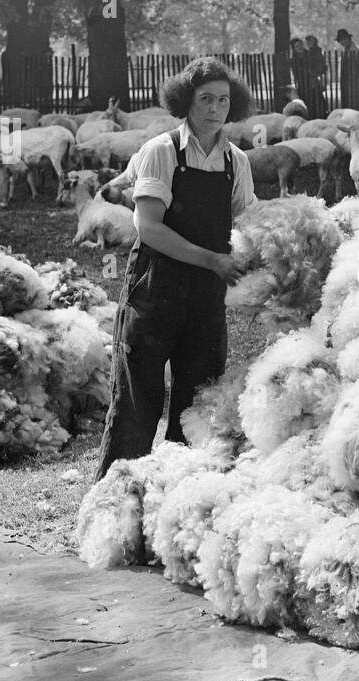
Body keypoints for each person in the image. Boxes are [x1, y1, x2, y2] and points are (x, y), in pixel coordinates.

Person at [94, 57, 257, 483]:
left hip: (206, 295)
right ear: (185, 100)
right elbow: (149, 228)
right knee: (138, 400)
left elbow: (248, 222)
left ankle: (177, 499)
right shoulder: (161, 151)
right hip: (156, 287)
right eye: (205, 99)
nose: (215, 108)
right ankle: (115, 499)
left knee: (197, 402)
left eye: (223, 100)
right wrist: (214, 260)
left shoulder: (235, 161)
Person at [335, 27, 359, 111]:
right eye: (340, 40)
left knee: (358, 104)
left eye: (344, 39)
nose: (342, 42)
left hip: (357, 83)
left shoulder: (356, 50)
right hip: (348, 83)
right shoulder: (345, 51)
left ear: (349, 39)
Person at [305, 33, 328, 116]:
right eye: (307, 42)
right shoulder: (309, 52)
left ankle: (321, 112)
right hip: (310, 78)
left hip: (314, 78)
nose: (309, 43)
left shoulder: (316, 51)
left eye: (311, 41)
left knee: (317, 95)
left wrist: (314, 72)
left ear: (315, 42)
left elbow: (322, 65)